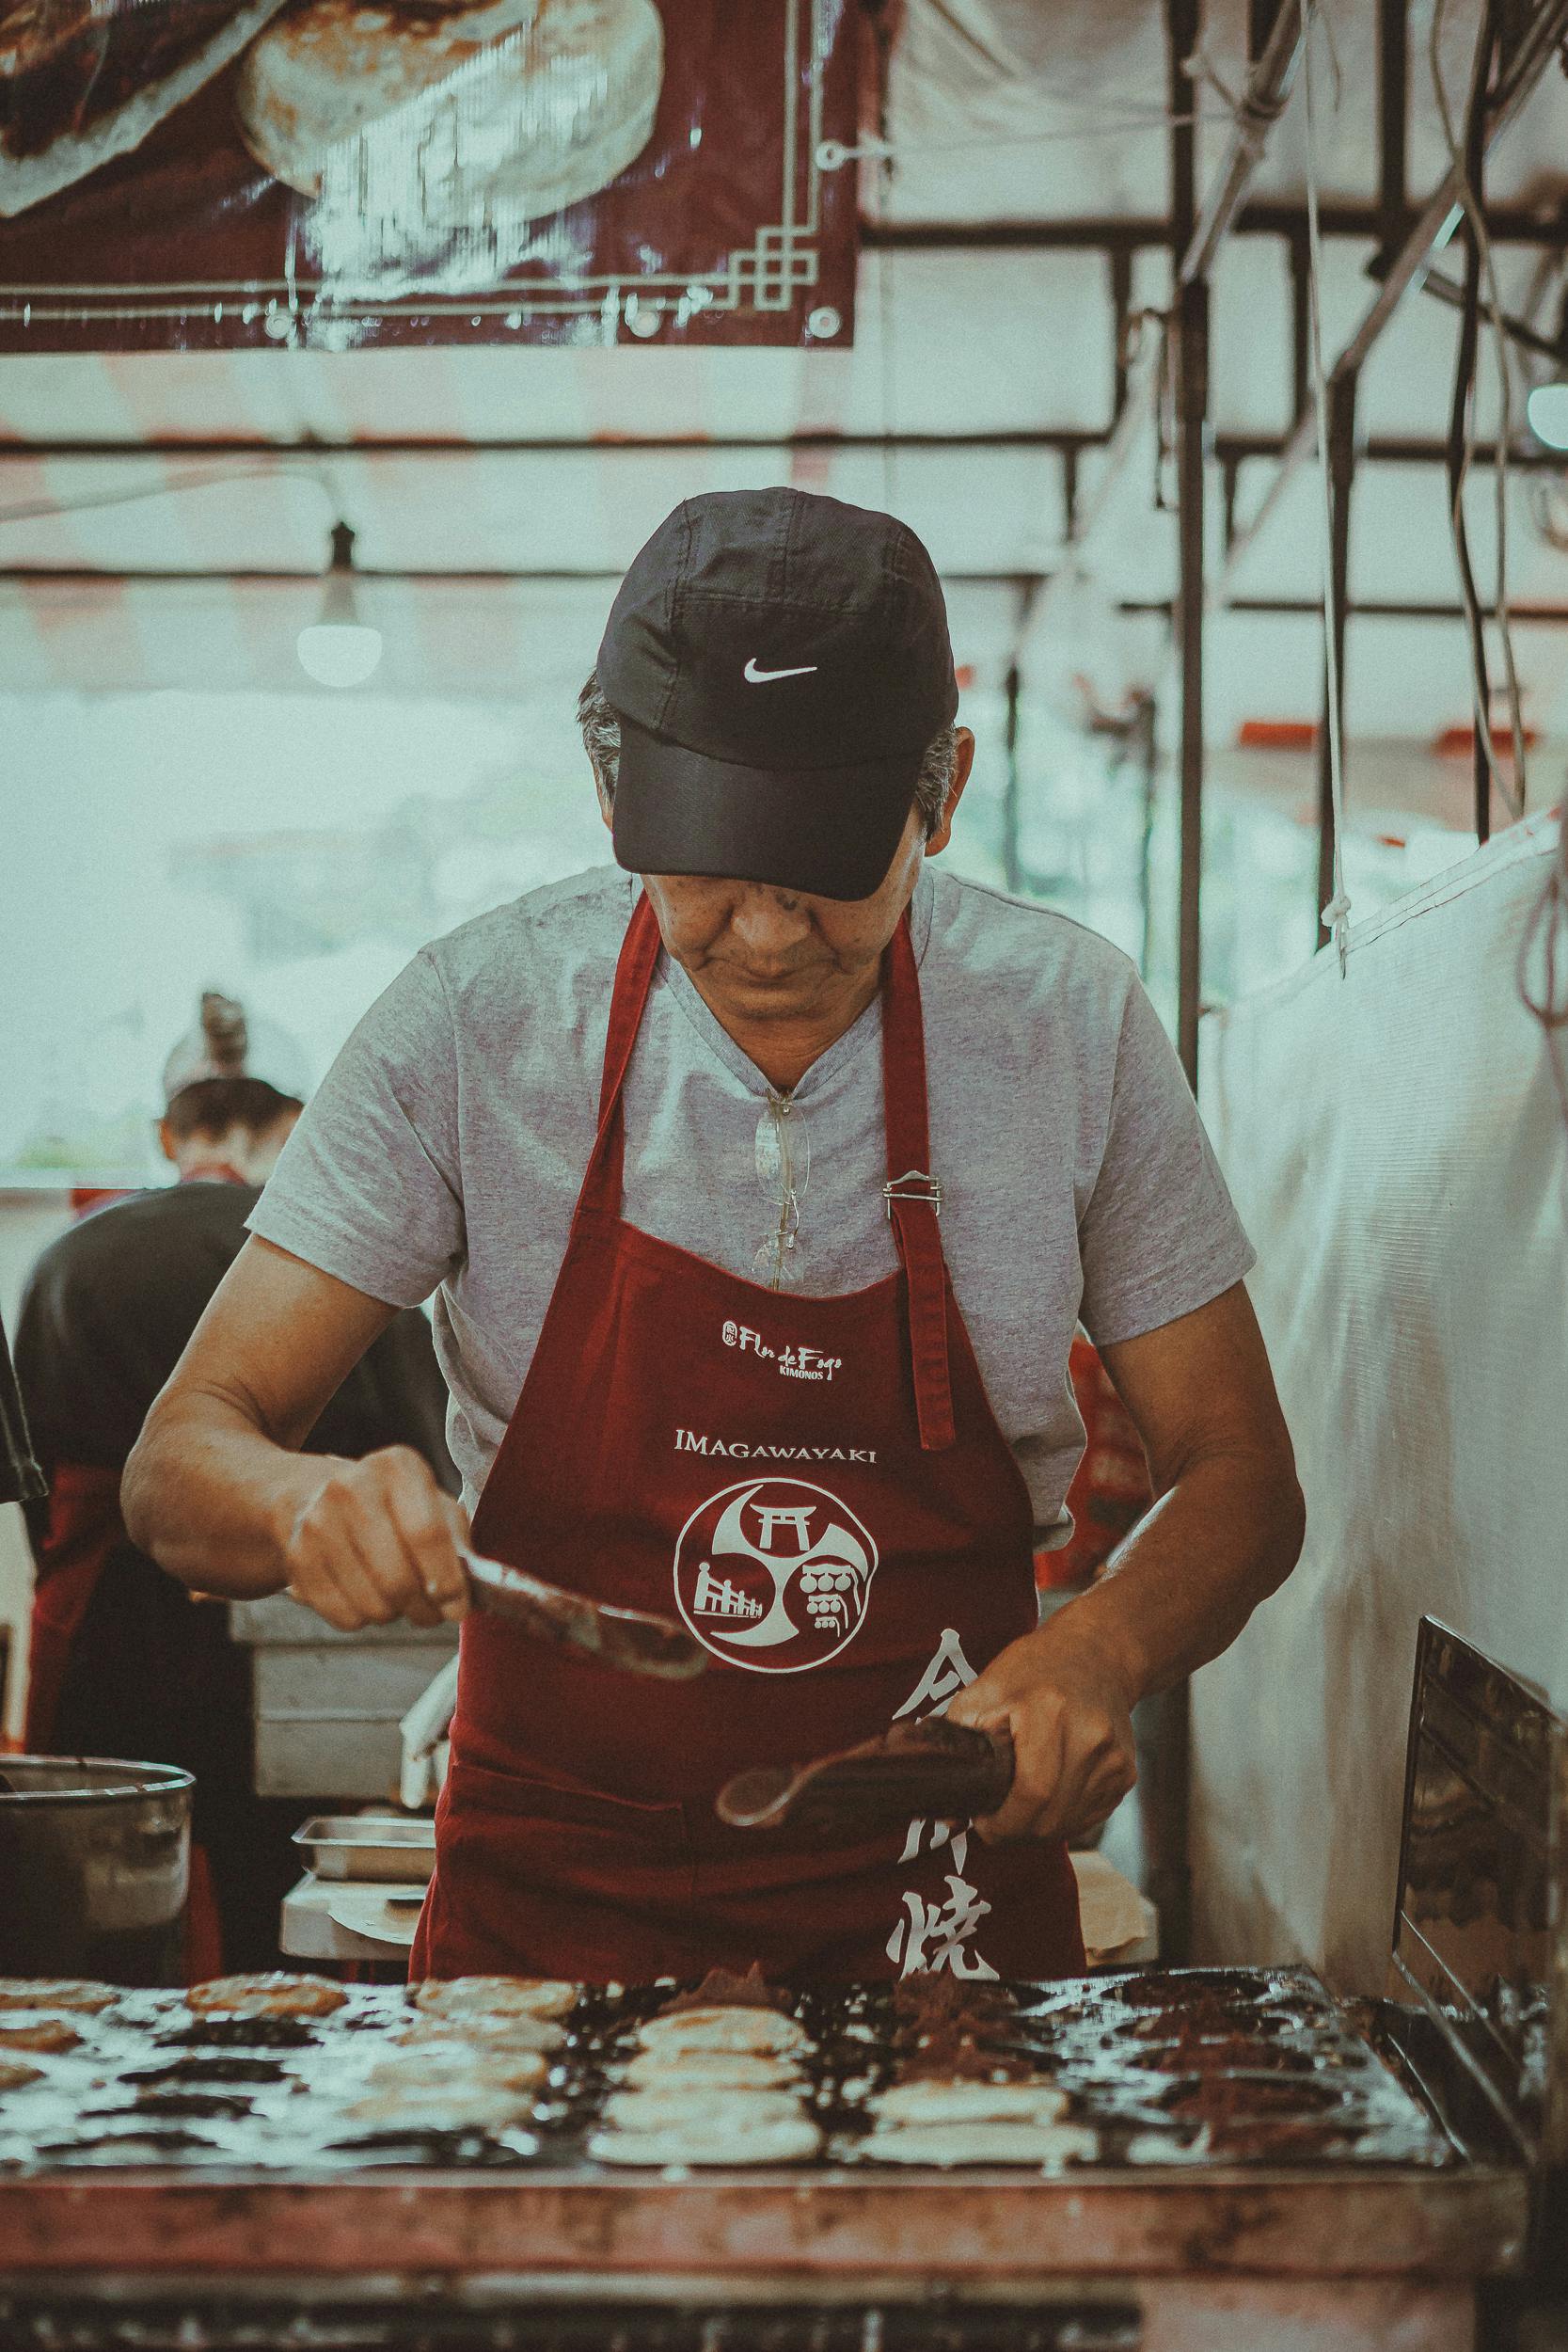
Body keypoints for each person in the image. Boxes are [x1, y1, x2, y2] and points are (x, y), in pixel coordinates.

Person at [124, 490, 1305, 1985]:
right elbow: (181, 1458)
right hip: (545, 1922)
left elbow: (1241, 1475)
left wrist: (1097, 1651)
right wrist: (302, 1508)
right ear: (610, 791)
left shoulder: (1067, 1028)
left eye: (823, 873)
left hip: (932, 1908)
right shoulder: (473, 1027)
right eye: (704, 867)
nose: (761, 935)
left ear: (938, 795)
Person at [16, 991, 455, 1972]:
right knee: (278, 1923)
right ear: (297, 1125)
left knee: (91, 1932)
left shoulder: (64, 1262)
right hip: (298, 1651)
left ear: (170, 1128)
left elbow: (37, 1503)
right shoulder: (339, 1267)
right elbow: (429, 1478)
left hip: (102, 1638)